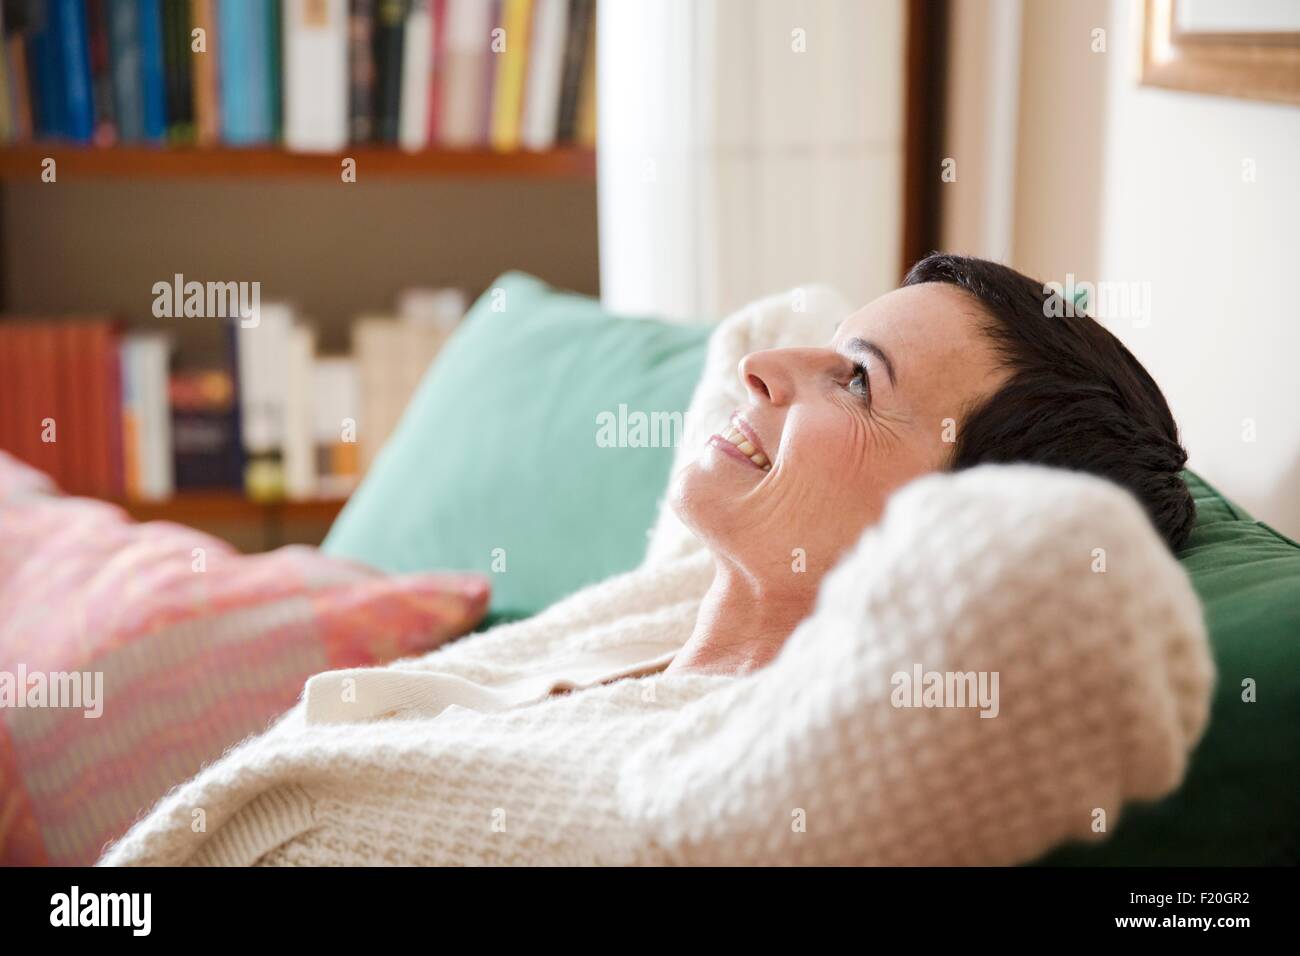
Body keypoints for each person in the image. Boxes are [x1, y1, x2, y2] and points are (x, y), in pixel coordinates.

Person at [668, 253, 1193, 673]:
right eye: (830, 345)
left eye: (858, 381)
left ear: (952, 536)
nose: (757, 367)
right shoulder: (651, 629)